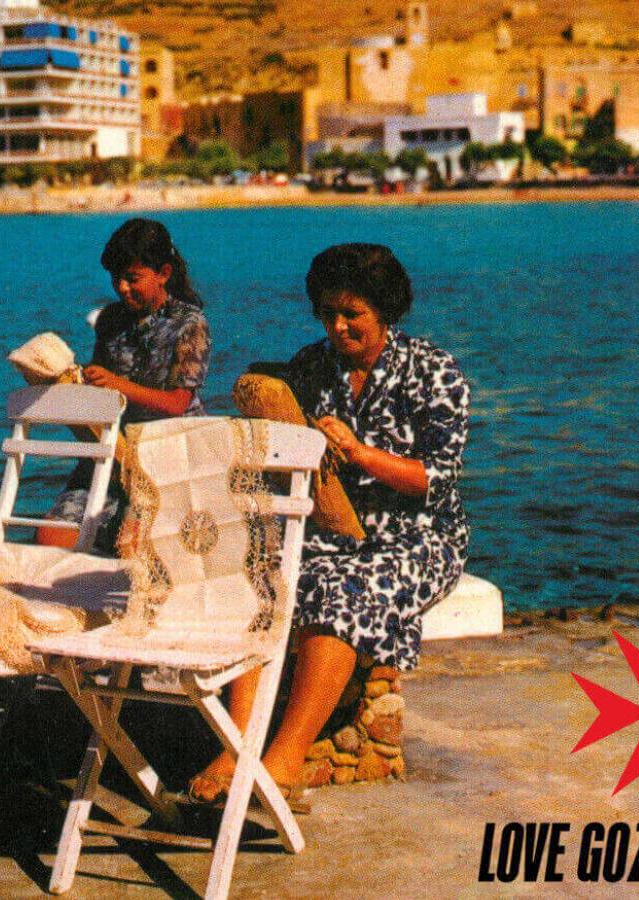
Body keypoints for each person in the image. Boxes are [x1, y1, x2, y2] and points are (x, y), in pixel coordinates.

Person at [188, 242, 469, 804]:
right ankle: (236, 744)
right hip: (329, 527)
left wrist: (361, 454)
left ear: (386, 311)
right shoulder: (312, 367)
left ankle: (287, 755)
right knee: (265, 583)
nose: (337, 327)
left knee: (344, 588)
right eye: (327, 314)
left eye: (351, 315)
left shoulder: (435, 372)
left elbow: (436, 479)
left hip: (418, 534)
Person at [36, 217, 210, 552]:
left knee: (134, 544)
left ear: (164, 273)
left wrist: (118, 385)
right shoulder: (110, 320)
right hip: (110, 453)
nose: (122, 288)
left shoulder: (189, 323)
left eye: (132, 278)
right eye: (116, 278)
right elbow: (100, 386)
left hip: (167, 459)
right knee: (50, 539)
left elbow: (178, 403)